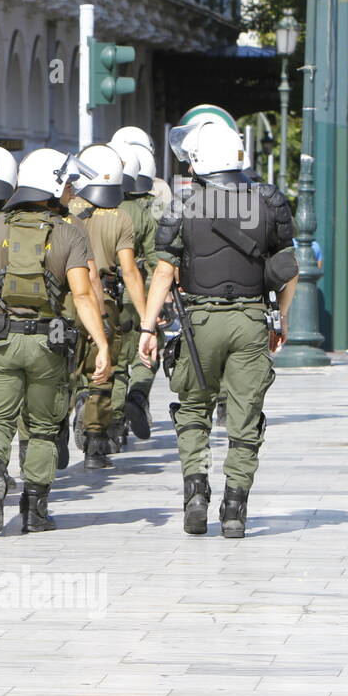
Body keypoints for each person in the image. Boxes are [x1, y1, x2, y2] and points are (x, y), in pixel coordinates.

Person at [140, 118, 298, 538]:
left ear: (198, 163)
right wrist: (279, 319)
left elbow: (163, 272)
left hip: (198, 322)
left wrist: (146, 327)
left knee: (193, 409)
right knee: (246, 417)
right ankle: (234, 509)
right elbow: (288, 269)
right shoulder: (268, 201)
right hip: (249, 320)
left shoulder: (182, 205)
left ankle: (195, 493)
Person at [0, 147, 112, 535]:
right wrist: (102, 344)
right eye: (67, 182)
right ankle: (35, 509)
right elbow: (82, 295)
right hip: (49, 343)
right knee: (43, 428)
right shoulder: (69, 234)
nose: (72, 189)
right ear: (51, 186)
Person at [63, 143, 147, 470]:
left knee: (63, 367)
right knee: (102, 369)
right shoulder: (121, 217)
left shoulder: (66, 211)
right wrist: (145, 317)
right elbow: (129, 270)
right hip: (107, 301)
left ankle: (55, 429)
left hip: (69, 300)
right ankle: (96, 443)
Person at [114, 140, 161, 441]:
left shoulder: (92, 208)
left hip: (100, 294)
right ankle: (138, 396)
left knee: (112, 359)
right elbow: (159, 261)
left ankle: (108, 423)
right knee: (146, 350)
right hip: (139, 290)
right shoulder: (147, 209)